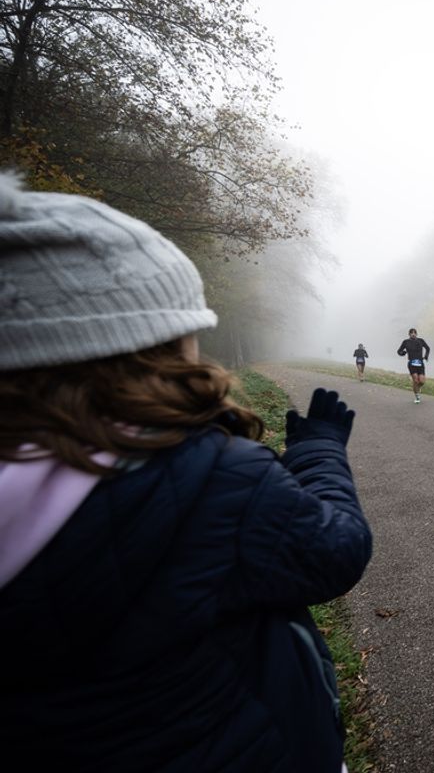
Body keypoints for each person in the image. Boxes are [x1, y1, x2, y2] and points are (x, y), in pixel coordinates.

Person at [0, 174, 372, 773]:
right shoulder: (212, 475)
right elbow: (335, 550)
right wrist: (320, 452)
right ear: (155, 346)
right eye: (190, 331)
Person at [397, 327, 431, 403]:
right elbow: (399, 351)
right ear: (409, 334)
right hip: (411, 363)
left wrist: (426, 356)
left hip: (420, 363)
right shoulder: (405, 342)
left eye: (414, 333)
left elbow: (428, 348)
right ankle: (417, 397)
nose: (413, 334)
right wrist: (403, 353)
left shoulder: (421, 341)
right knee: (415, 380)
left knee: (421, 381)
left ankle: (417, 388)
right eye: (411, 333)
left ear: (416, 334)